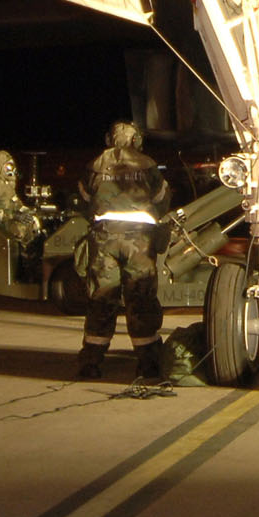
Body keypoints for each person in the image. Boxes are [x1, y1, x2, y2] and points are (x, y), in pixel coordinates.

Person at [75, 120, 169, 379]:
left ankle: (91, 363)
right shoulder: (147, 164)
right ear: (135, 139)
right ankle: (148, 363)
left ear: (110, 139)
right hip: (138, 242)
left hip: (104, 238)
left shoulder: (95, 164)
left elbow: (83, 198)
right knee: (140, 299)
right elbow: (162, 197)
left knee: (102, 298)